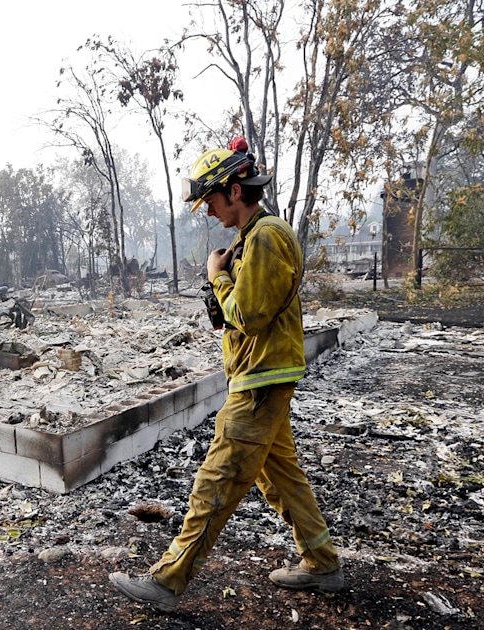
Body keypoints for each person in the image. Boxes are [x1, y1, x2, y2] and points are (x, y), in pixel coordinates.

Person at [109, 137, 343, 612]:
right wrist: (222, 274)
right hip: (259, 375)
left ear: (236, 190)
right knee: (280, 479)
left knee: (218, 477)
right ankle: (322, 563)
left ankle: (169, 580)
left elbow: (251, 316)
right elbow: (236, 313)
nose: (209, 211)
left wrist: (218, 275)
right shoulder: (251, 238)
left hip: (260, 378)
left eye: (212, 200)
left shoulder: (266, 236)